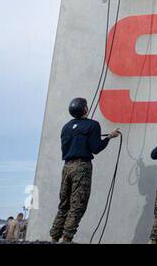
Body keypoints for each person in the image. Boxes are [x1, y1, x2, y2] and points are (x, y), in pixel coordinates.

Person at [49, 97, 120, 244]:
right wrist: (109, 138)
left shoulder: (66, 127)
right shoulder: (92, 125)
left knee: (64, 204)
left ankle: (54, 237)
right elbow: (96, 148)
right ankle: (67, 238)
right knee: (78, 204)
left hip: (67, 167)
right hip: (82, 167)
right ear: (85, 109)